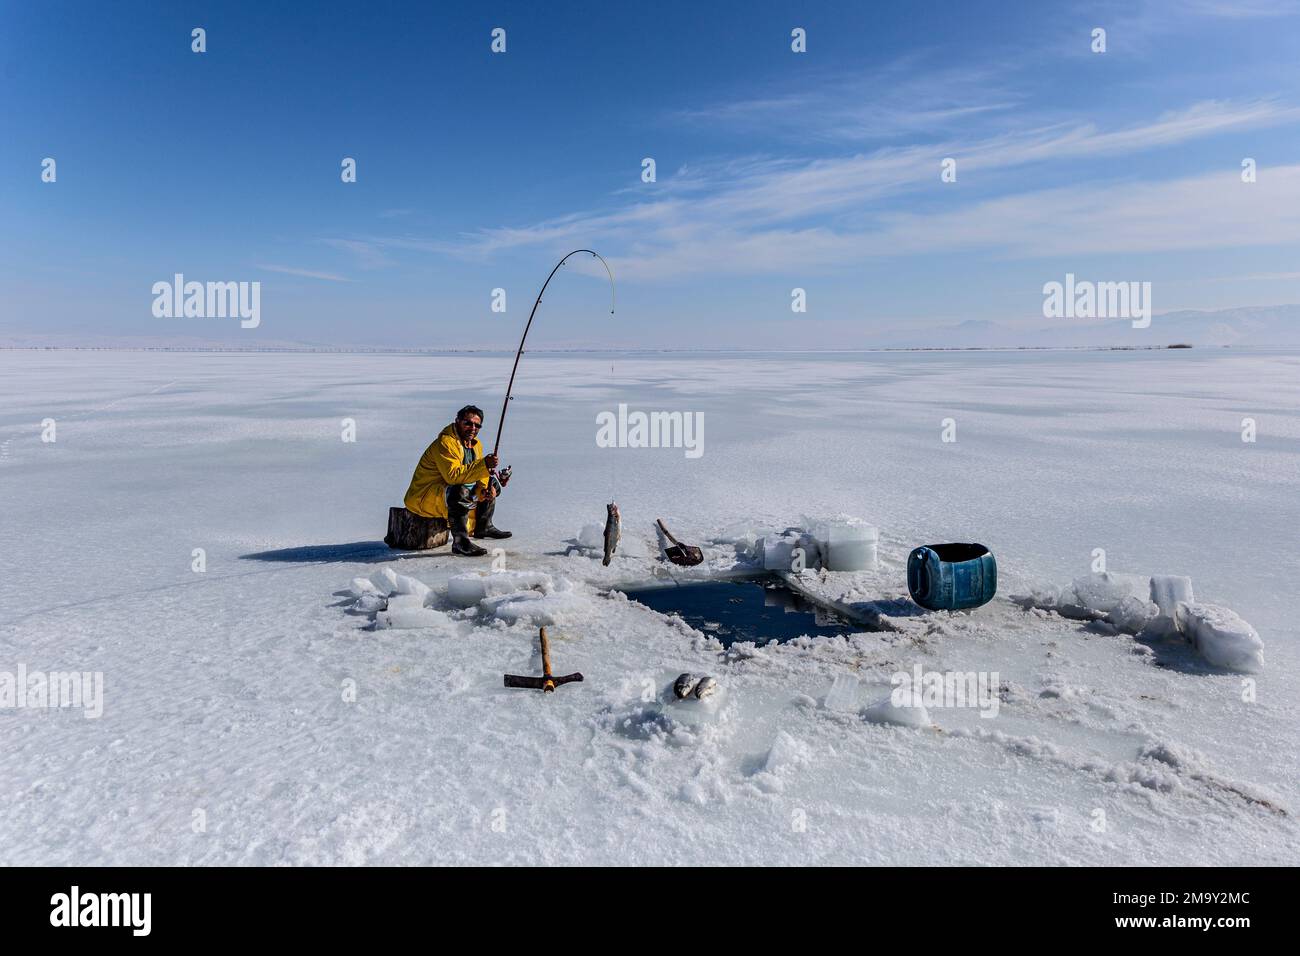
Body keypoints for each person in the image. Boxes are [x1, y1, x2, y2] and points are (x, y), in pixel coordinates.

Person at [403, 404, 512, 556]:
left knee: (491, 483)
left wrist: (485, 490)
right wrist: (484, 465)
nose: (473, 428)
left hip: (450, 490)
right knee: (458, 491)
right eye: (468, 423)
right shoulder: (445, 443)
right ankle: (460, 542)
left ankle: (484, 526)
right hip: (424, 496)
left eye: (477, 425)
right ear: (457, 421)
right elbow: (452, 476)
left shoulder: (476, 444)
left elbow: (479, 473)